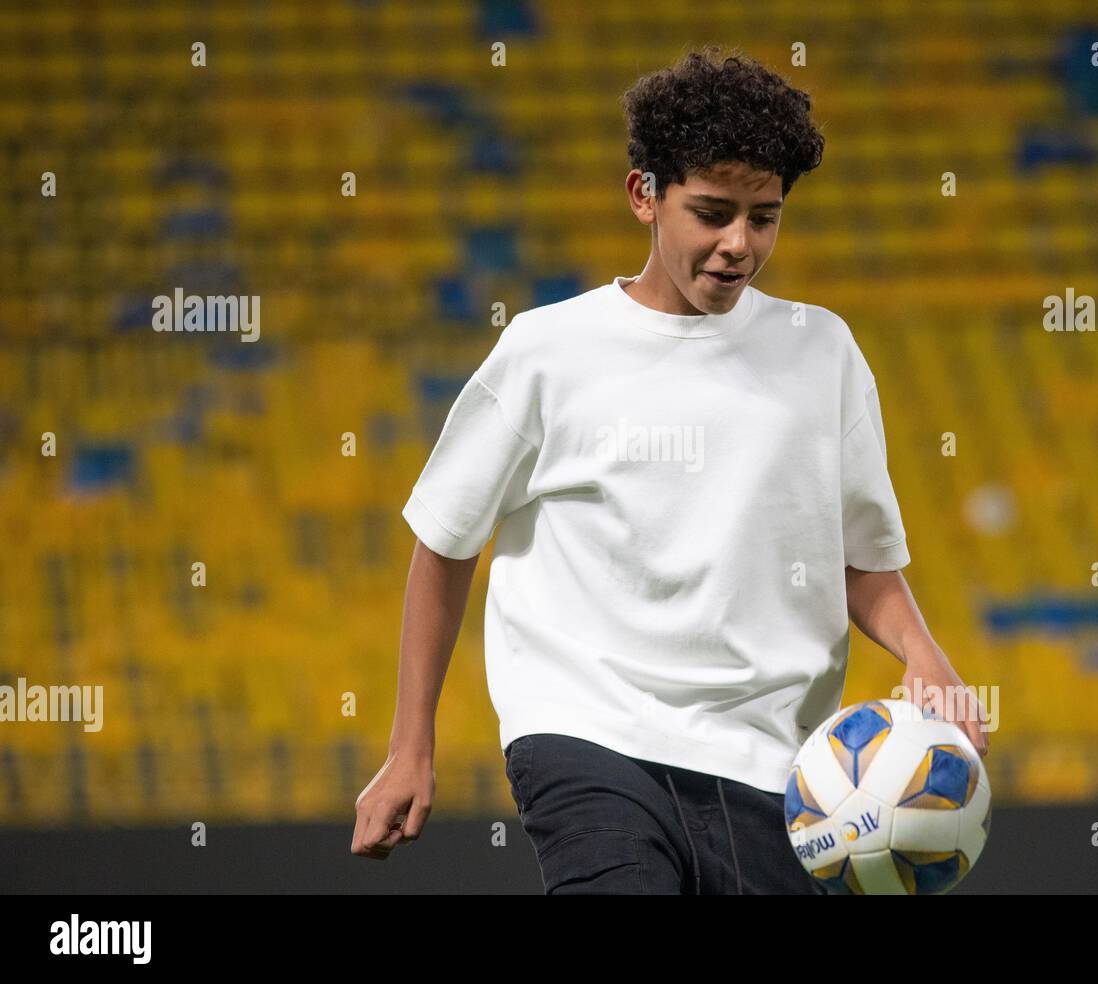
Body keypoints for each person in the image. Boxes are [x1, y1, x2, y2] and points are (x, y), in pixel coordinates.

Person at [351, 45, 988, 893]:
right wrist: (409, 746)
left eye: (763, 217)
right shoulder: (547, 352)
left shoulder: (822, 353)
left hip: (777, 774)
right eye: (712, 212)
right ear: (643, 195)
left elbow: (859, 560)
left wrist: (925, 654)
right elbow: (445, 543)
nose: (738, 244)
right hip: (587, 741)